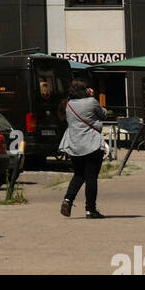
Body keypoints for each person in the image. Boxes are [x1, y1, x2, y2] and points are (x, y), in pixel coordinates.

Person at [59, 80, 108, 219]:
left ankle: (68, 200)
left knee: (79, 174)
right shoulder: (91, 102)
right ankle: (90, 210)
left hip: (74, 145)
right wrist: (93, 97)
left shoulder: (68, 105)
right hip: (91, 144)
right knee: (91, 177)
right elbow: (104, 114)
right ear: (84, 91)